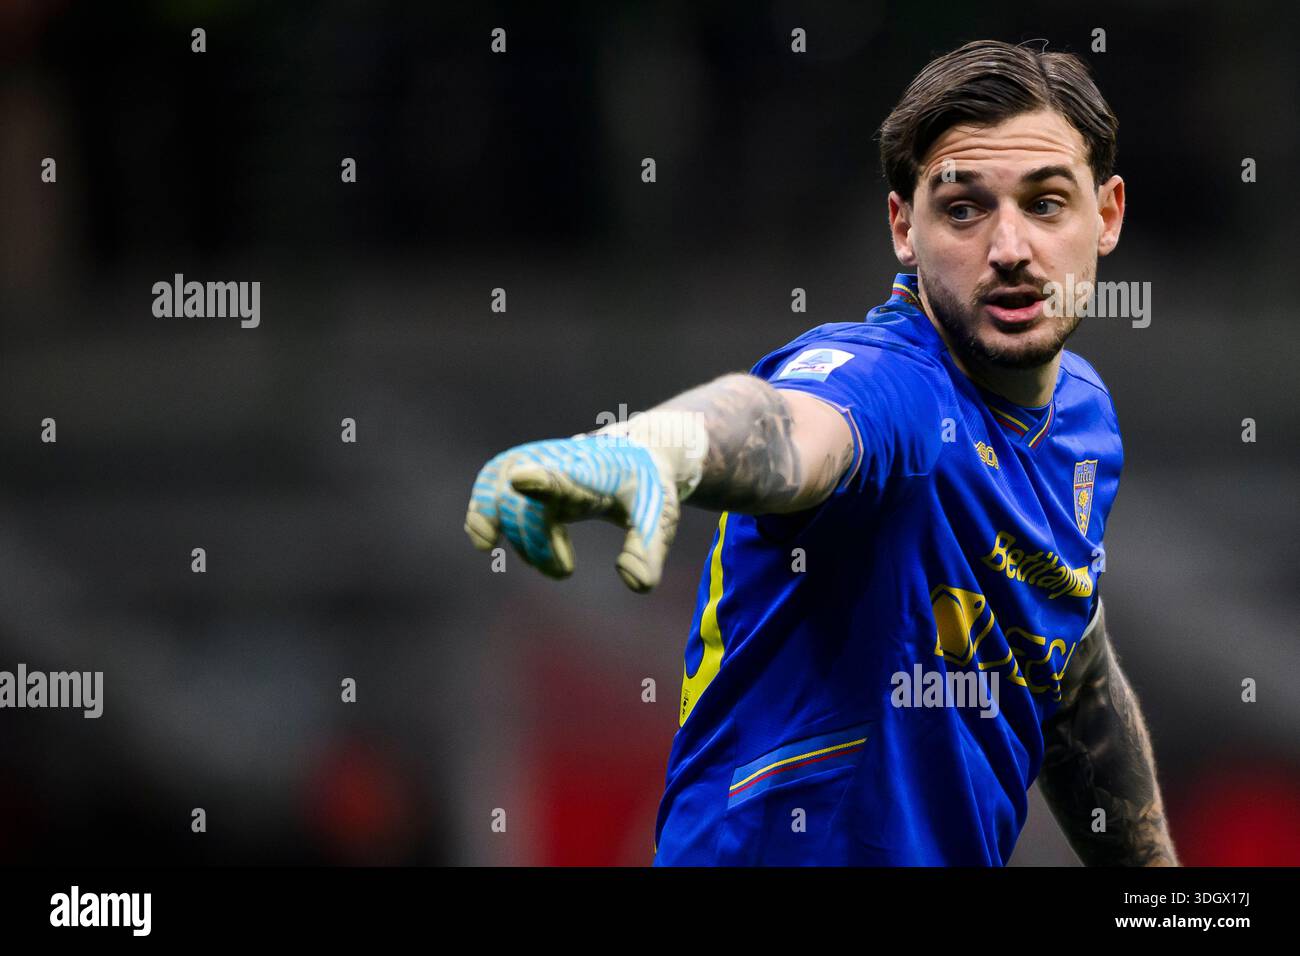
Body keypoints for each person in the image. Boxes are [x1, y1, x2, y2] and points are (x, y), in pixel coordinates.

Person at [464, 39, 1179, 866]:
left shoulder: (1084, 418)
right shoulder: (893, 387)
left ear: (1109, 214)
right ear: (903, 228)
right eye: (963, 209)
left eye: (1046, 204)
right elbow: (781, 428)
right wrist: (658, 445)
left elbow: (1075, 671)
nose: (1010, 246)